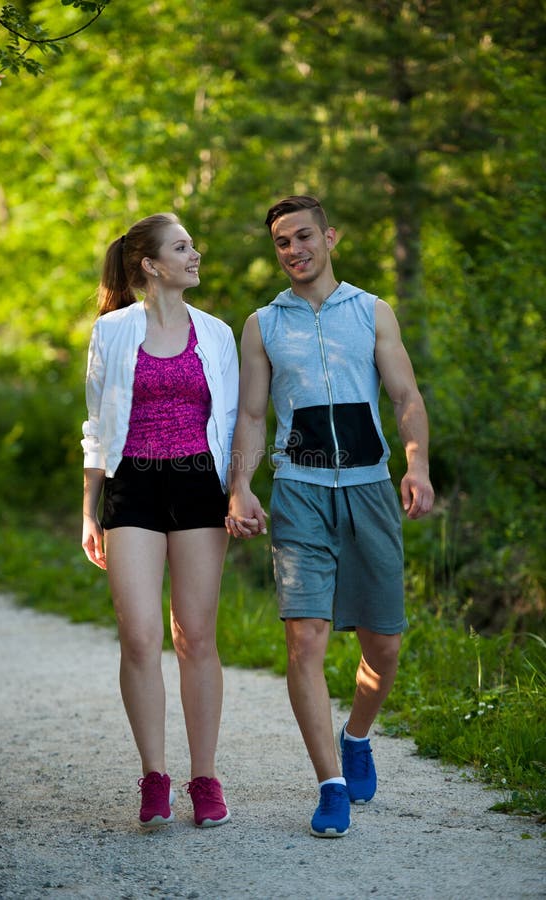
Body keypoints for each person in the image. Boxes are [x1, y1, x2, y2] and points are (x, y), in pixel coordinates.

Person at [226, 195, 434, 838]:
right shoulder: (262, 324)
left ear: (331, 237)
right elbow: (254, 416)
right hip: (299, 493)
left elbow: (405, 395)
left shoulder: (372, 311)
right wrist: (240, 486)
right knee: (305, 639)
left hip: (370, 491)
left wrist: (418, 465)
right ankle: (330, 784)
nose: (294, 250)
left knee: (385, 646)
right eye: (283, 242)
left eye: (304, 237)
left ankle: (357, 736)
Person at [81, 212, 238, 829]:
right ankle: (154, 776)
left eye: (193, 245)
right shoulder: (113, 332)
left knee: (195, 637)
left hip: (199, 486)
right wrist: (88, 512)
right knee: (139, 635)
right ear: (151, 265)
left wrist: (238, 490)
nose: (195, 254)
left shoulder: (217, 334)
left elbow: (234, 421)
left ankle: (205, 777)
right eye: (182, 247)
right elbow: (96, 426)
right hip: (132, 487)